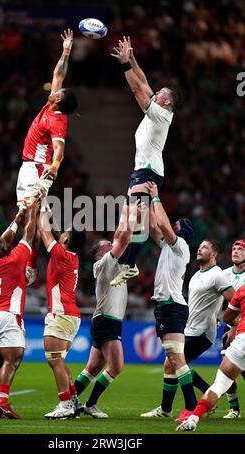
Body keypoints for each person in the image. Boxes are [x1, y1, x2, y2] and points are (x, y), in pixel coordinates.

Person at [142, 236, 234, 422]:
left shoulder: (217, 274)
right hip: (190, 328)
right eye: (199, 246)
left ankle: (187, 406)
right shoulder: (196, 274)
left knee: (174, 363)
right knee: (173, 364)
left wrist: (228, 322)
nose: (199, 249)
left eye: (205, 247)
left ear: (214, 254)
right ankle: (175, 405)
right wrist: (215, 313)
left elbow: (234, 300)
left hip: (202, 332)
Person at [110, 36, 176, 286]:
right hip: (144, 170)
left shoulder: (161, 114)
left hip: (147, 172)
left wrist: (125, 65)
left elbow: (138, 89)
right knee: (145, 224)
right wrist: (132, 58)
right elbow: (145, 82)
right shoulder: (159, 110)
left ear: (166, 102)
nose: (156, 92)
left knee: (133, 218)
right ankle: (170, 252)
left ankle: (129, 265)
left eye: (161, 93)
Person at [73, 200, 143, 419]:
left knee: (93, 367)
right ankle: (90, 404)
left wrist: (127, 211)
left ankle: (67, 401)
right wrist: (132, 215)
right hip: (107, 321)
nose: (110, 246)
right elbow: (122, 239)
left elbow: (120, 236)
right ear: (99, 253)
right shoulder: (103, 264)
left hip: (104, 319)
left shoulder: (115, 266)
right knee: (116, 366)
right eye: (106, 245)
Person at [139, 182, 197, 421]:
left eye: (175, 225)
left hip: (172, 306)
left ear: (180, 231)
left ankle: (192, 407)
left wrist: (155, 197)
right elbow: (154, 227)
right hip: (167, 307)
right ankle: (165, 409)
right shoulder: (169, 247)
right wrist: (144, 206)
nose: (170, 225)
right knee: (169, 364)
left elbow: (162, 224)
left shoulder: (180, 245)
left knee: (176, 358)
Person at [0, 200, 39, 419]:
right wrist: (32, 212)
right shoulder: (15, 259)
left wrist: (16, 219)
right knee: (12, 360)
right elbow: (30, 233)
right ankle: (2, 403)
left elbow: (2, 241)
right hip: (7, 315)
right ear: (5, 249)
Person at [16, 29, 78, 208]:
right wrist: (66, 52)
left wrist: (55, 167)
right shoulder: (52, 105)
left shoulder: (57, 121)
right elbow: (58, 75)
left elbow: (60, 149)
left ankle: (38, 237)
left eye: (57, 91)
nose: (54, 88)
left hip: (38, 167)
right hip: (31, 166)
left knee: (31, 213)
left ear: (58, 99)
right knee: (35, 213)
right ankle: (56, 236)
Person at [38, 195, 86, 419]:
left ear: (67, 239)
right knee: (59, 360)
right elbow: (54, 232)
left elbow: (44, 232)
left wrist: (40, 208)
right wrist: (46, 204)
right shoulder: (70, 255)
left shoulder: (61, 254)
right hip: (71, 314)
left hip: (61, 314)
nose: (62, 232)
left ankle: (65, 404)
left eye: (66, 231)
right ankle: (73, 400)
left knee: (54, 360)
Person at [176, 284, 245, 432]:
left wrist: (237, 324)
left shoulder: (242, 289)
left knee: (220, 384)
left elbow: (227, 317)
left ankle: (193, 419)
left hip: (242, 340)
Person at [221, 239, 245, 418]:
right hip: (229, 327)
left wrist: (234, 327)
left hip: (242, 329)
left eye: (240, 249)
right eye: (234, 249)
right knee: (226, 369)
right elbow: (216, 299)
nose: (235, 251)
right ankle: (234, 408)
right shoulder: (223, 274)